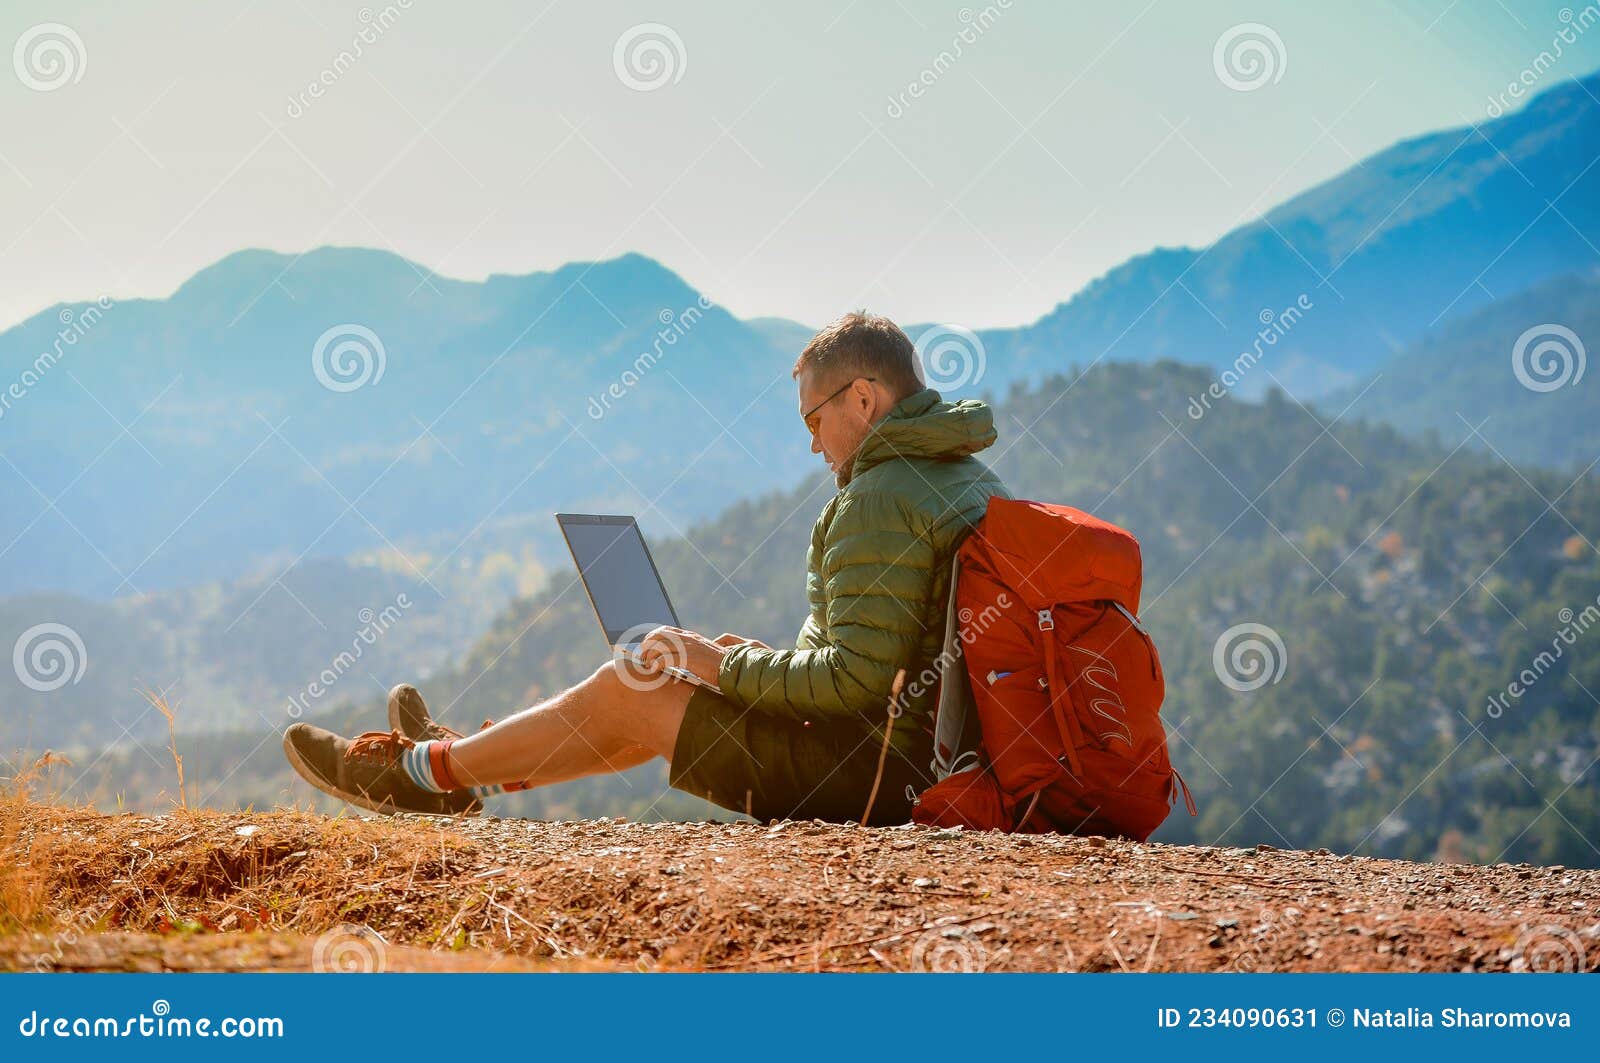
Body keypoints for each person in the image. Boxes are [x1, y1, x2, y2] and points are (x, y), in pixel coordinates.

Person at [282, 311, 1009, 824]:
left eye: (812, 418)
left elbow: (857, 681)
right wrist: (744, 663)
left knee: (631, 684)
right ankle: (463, 765)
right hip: (922, 761)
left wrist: (716, 664)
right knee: (657, 681)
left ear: (862, 397)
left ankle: (417, 775)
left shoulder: (881, 497)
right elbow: (887, 662)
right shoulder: (962, 475)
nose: (814, 444)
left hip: (877, 779)